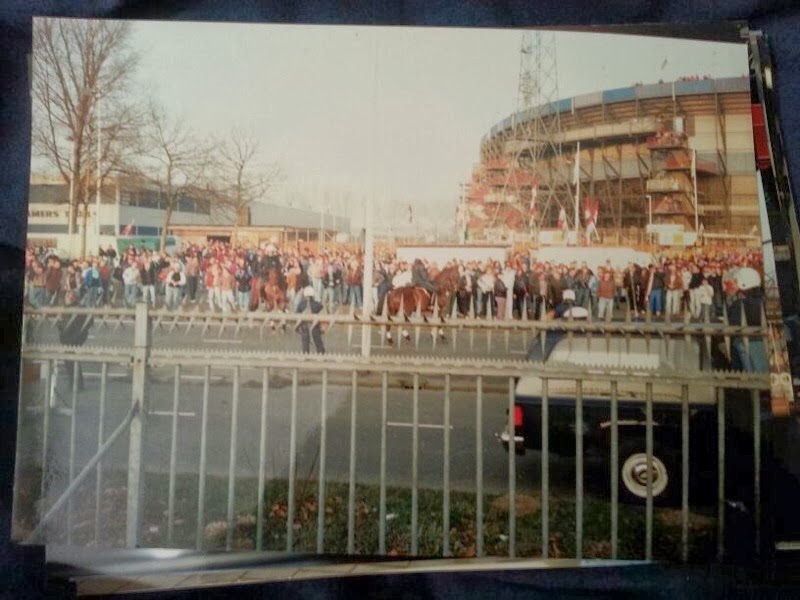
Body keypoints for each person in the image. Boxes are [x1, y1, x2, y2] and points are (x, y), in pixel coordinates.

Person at [295, 286, 325, 354]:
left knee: (305, 342)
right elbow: (323, 311)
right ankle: (321, 354)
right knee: (318, 342)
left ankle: (305, 355)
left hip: (304, 326)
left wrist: (297, 327)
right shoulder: (317, 305)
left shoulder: (301, 304)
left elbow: (296, 314)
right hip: (315, 327)